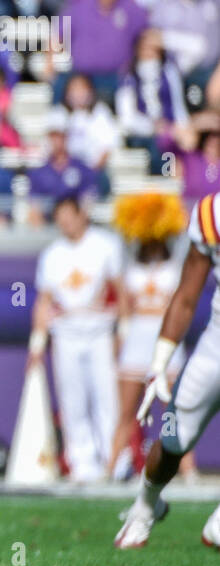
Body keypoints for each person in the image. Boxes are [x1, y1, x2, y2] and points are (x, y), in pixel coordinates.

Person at [116, 187, 220, 550]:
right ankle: (145, 505)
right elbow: (187, 294)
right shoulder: (213, 212)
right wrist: (159, 362)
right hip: (216, 345)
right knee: (173, 440)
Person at [27, 194, 126, 483]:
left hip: (99, 332)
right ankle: (83, 465)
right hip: (66, 335)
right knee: (73, 401)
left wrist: (123, 331)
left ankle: (115, 462)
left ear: (81, 214)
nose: (65, 222)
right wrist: (37, 342)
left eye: (69, 215)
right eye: (60, 217)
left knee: (107, 397)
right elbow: (43, 301)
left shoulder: (106, 245)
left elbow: (121, 292)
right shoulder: (52, 255)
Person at [110, 192, 186, 481]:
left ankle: (185, 470)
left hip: (167, 342)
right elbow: (125, 309)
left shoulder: (176, 263)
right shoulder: (130, 264)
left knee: (174, 412)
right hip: (136, 344)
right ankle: (110, 467)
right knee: (126, 412)